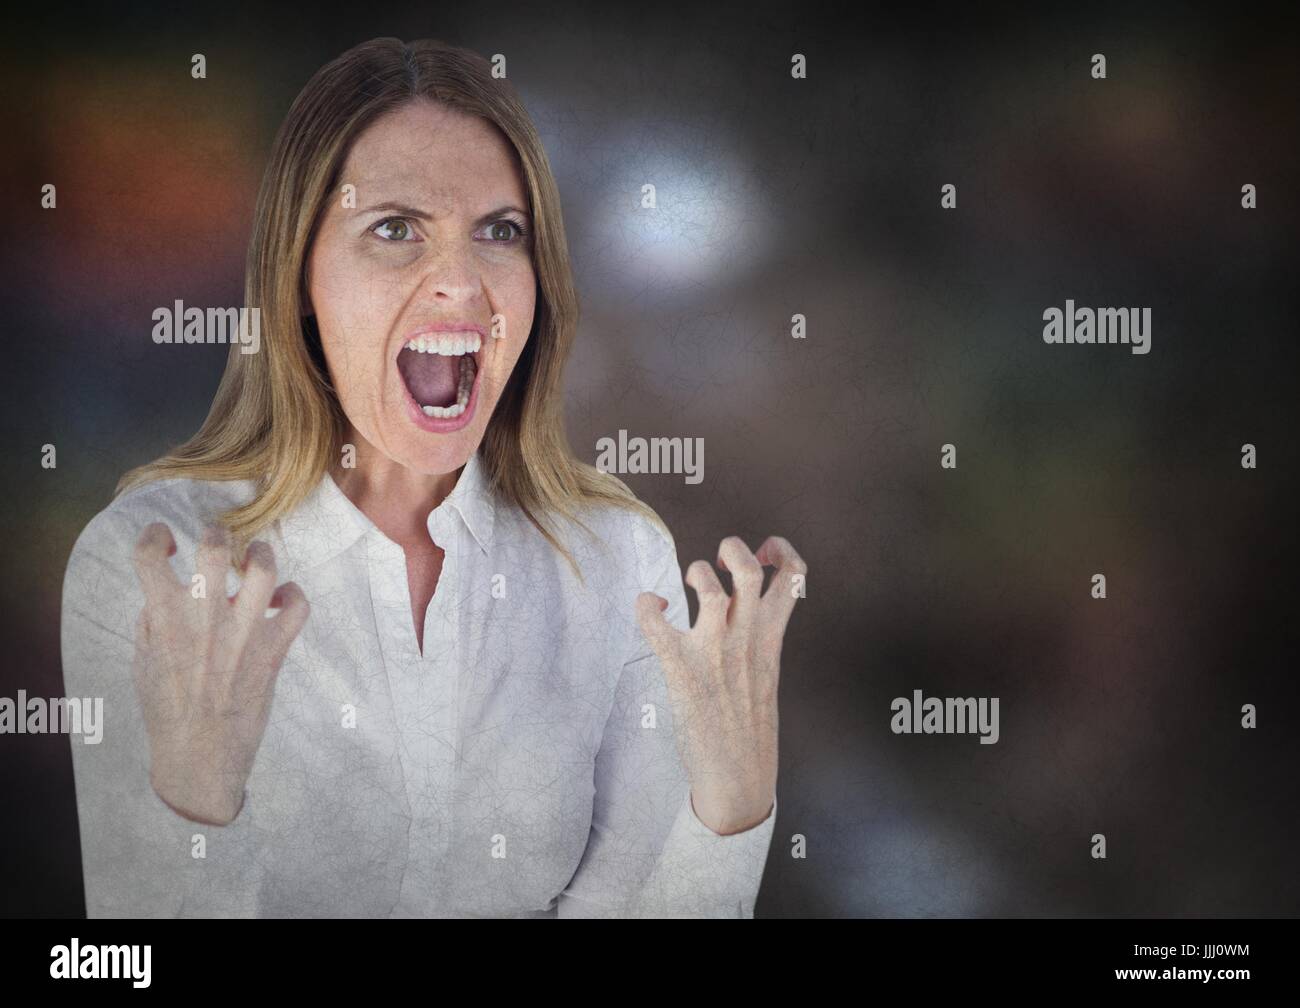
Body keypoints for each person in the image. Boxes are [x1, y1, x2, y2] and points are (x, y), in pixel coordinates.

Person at [61, 36, 806, 918]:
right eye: (394, 228)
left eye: (500, 231)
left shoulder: (619, 559)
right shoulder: (152, 566)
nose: (460, 282)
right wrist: (194, 808)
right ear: (299, 272)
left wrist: (733, 818)